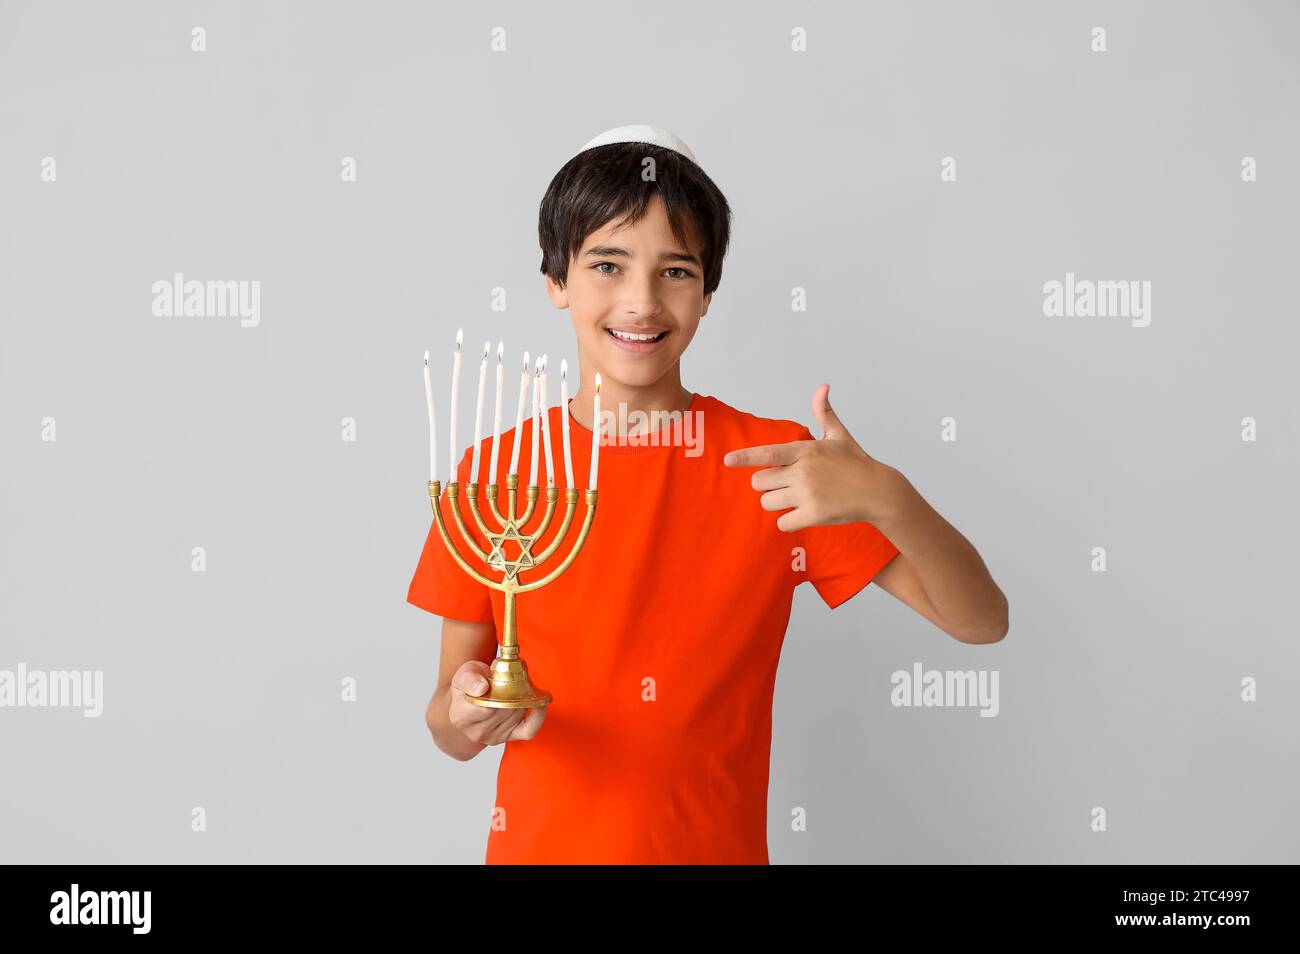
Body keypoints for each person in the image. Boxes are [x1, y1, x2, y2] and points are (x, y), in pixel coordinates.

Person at [407, 125, 1009, 864]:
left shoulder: (775, 464)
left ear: (707, 293)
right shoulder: (495, 476)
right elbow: (447, 726)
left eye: (677, 271)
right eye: (607, 264)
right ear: (556, 280)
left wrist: (891, 497)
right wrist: (466, 710)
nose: (641, 302)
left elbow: (982, 621)